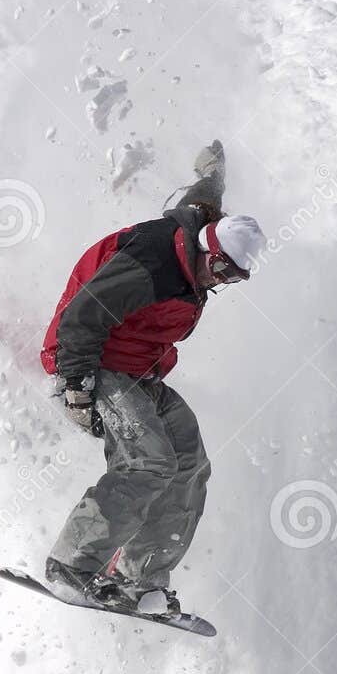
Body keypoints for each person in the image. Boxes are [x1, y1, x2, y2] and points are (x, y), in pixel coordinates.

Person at [39, 142, 265, 616]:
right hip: (91, 361)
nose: (221, 280)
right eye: (222, 267)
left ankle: (137, 579)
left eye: (235, 278)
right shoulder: (152, 264)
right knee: (149, 461)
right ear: (210, 246)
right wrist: (75, 385)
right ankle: (72, 567)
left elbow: (204, 199)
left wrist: (212, 170)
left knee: (190, 463)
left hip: (139, 370)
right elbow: (82, 317)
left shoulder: (200, 231)